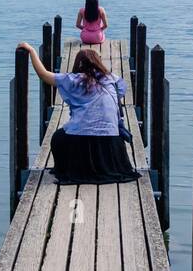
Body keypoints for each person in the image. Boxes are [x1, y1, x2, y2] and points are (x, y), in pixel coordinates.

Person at [17, 42, 136, 183]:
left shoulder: (73, 80)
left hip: (79, 138)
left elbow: (43, 74)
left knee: (58, 138)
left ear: (78, 64)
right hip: (110, 137)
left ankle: (69, 169)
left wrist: (31, 51)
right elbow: (119, 94)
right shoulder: (113, 80)